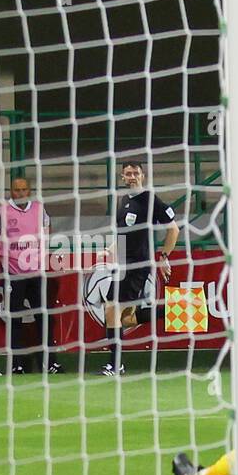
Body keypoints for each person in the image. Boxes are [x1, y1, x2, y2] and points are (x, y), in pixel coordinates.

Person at [0, 175, 61, 374]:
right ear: (11, 192)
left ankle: (50, 363)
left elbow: (47, 226)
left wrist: (43, 248)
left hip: (36, 273)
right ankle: (17, 364)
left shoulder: (38, 209)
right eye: (16, 190)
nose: (20, 193)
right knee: (15, 321)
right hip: (13, 273)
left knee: (44, 318)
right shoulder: (1, 212)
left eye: (23, 190)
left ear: (29, 191)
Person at [101, 161, 178, 376]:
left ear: (143, 175)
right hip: (124, 264)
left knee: (111, 308)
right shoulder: (125, 200)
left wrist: (163, 257)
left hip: (138, 264)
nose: (132, 176)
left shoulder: (150, 199)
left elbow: (173, 230)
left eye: (136, 173)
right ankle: (173, 308)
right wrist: (110, 250)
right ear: (122, 177)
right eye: (128, 173)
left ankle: (116, 365)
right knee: (125, 318)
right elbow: (124, 234)